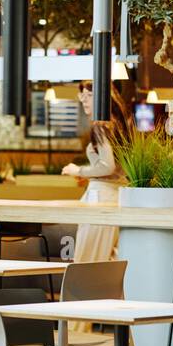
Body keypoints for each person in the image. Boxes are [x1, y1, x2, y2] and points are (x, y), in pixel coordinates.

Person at [62, 84, 119, 263]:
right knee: (107, 259)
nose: (84, 99)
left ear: (103, 97)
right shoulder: (119, 123)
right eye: (83, 95)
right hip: (116, 196)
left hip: (100, 197)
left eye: (90, 94)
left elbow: (108, 166)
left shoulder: (101, 125)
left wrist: (79, 170)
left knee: (88, 258)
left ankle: (83, 292)